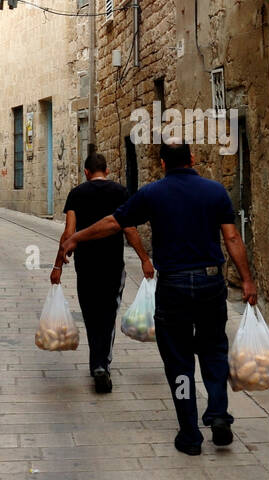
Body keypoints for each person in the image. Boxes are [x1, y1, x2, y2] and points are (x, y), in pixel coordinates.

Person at [61, 141, 257, 455]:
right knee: (214, 351)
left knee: (179, 360)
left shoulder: (153, 193)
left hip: (174, 286)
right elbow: (232, 238)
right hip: (210, 282)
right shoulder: (215, 191)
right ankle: (219, 414)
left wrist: (76, 238)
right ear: (192, 159)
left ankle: (191, 434)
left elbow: (115, 223)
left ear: (163, 163)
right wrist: (247, 280)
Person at [51, 152, 153, 394]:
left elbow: (68, 233)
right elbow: (129, 230)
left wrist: (57, 266)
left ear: (86, 172)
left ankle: (97, 362)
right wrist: (145, 259)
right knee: (107, 315)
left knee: (91, 314)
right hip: (112, 265)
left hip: (85, 266)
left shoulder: (77, 193)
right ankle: (100, 365)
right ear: (106, 171)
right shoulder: (120, 192)